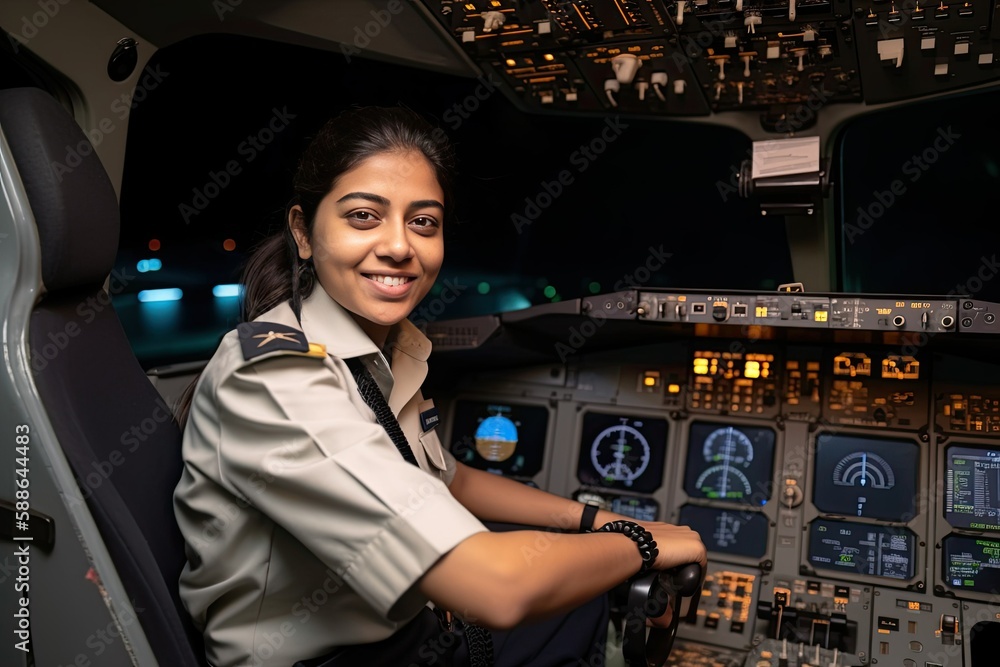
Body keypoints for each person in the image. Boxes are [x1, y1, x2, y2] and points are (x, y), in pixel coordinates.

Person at [172, 106, 707, 667]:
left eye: (423, 221)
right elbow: (496, 590)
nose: (400, 246)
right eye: (363, 217)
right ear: (304, 233)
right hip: (325, 658)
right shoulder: (274, 378)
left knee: (578, 606)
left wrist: (594, 522)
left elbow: (448, 479)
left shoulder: (385, 348)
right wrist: (644, 546)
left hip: (399, 635)